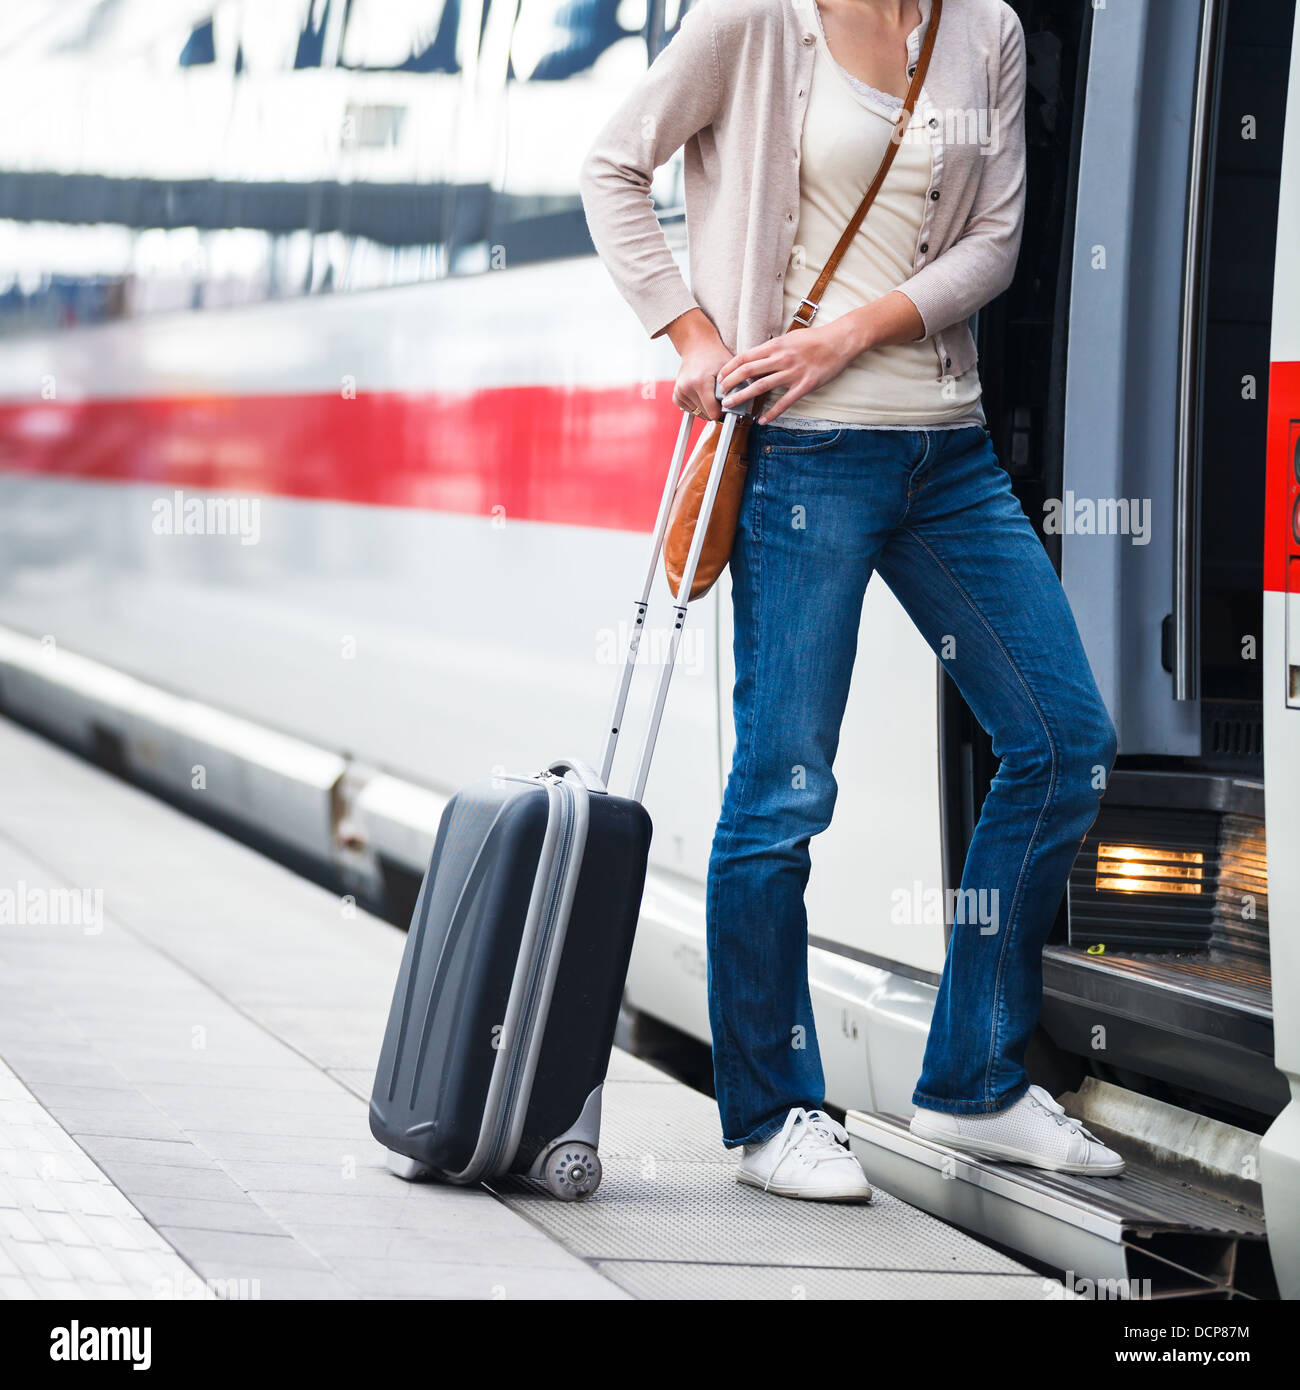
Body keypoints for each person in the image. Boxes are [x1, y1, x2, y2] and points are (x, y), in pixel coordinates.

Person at [580, 0, 1124, 1201]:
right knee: (782, 790)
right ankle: (773, 1113)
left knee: (1063, 741)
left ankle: (973, 1080)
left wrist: (855, 332)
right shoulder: (756, 22)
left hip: (948, 453)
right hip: (802, 456)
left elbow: (993, 239)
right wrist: (690, 335)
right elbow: (612, 164)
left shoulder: (984, 27)